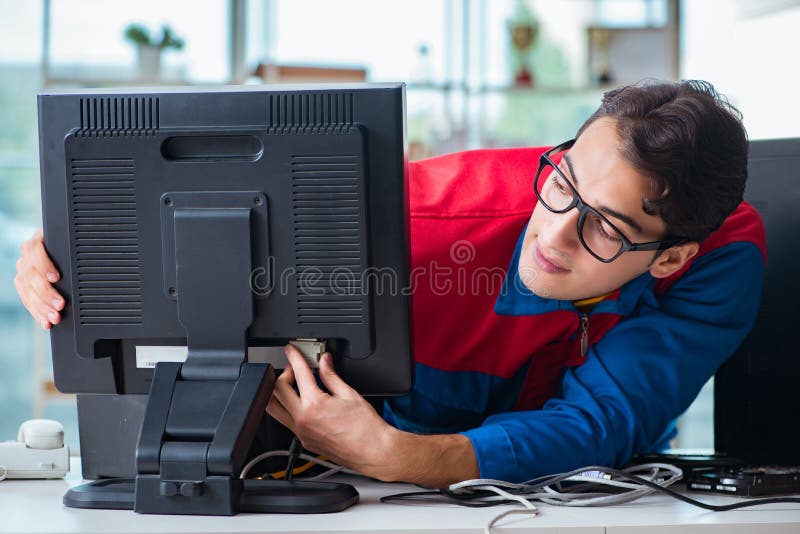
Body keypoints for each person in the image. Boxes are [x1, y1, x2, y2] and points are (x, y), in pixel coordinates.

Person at [14, 80, 765, 489]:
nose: (555, 230)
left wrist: (403, 458)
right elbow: (207, 222)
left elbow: (598, 423)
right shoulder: (416, 219)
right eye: (563, 181)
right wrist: (80, 252)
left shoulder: (719, 257)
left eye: (605, 228)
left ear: (669, 258)